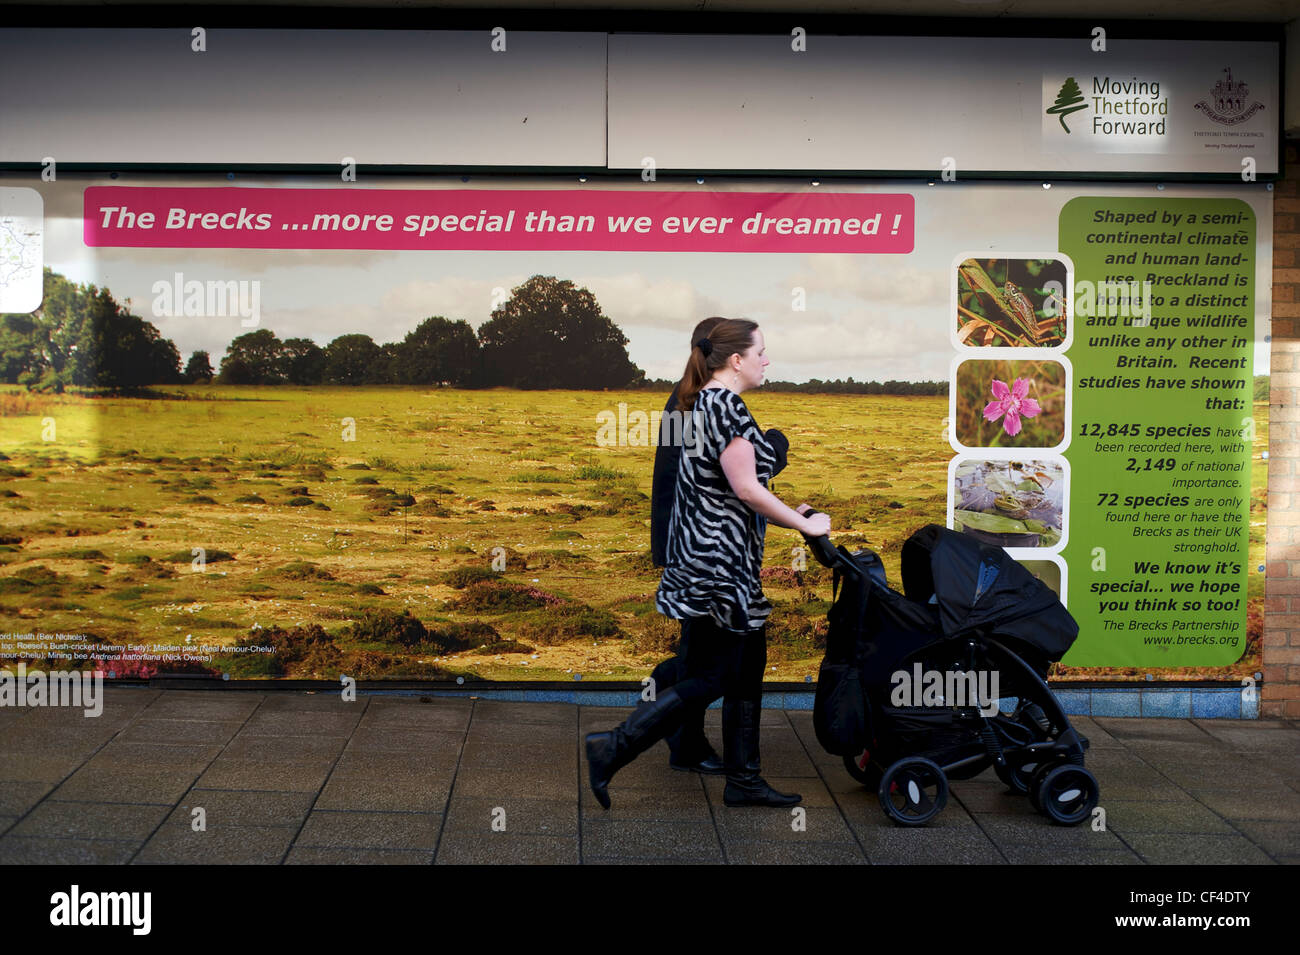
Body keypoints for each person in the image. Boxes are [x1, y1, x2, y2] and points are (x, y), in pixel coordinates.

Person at [586, 318, 831, 809]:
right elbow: (746, 490)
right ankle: (613, 747)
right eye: (761, 351)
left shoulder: (699, 403)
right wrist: (806, 526)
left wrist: (793, 513)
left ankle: (743, 780)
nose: (767, 360)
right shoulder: (727, 407)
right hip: (719, 565)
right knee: (719, 673)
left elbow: (731, 490)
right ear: (736, 360)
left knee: (740, 665)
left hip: (706, 556)